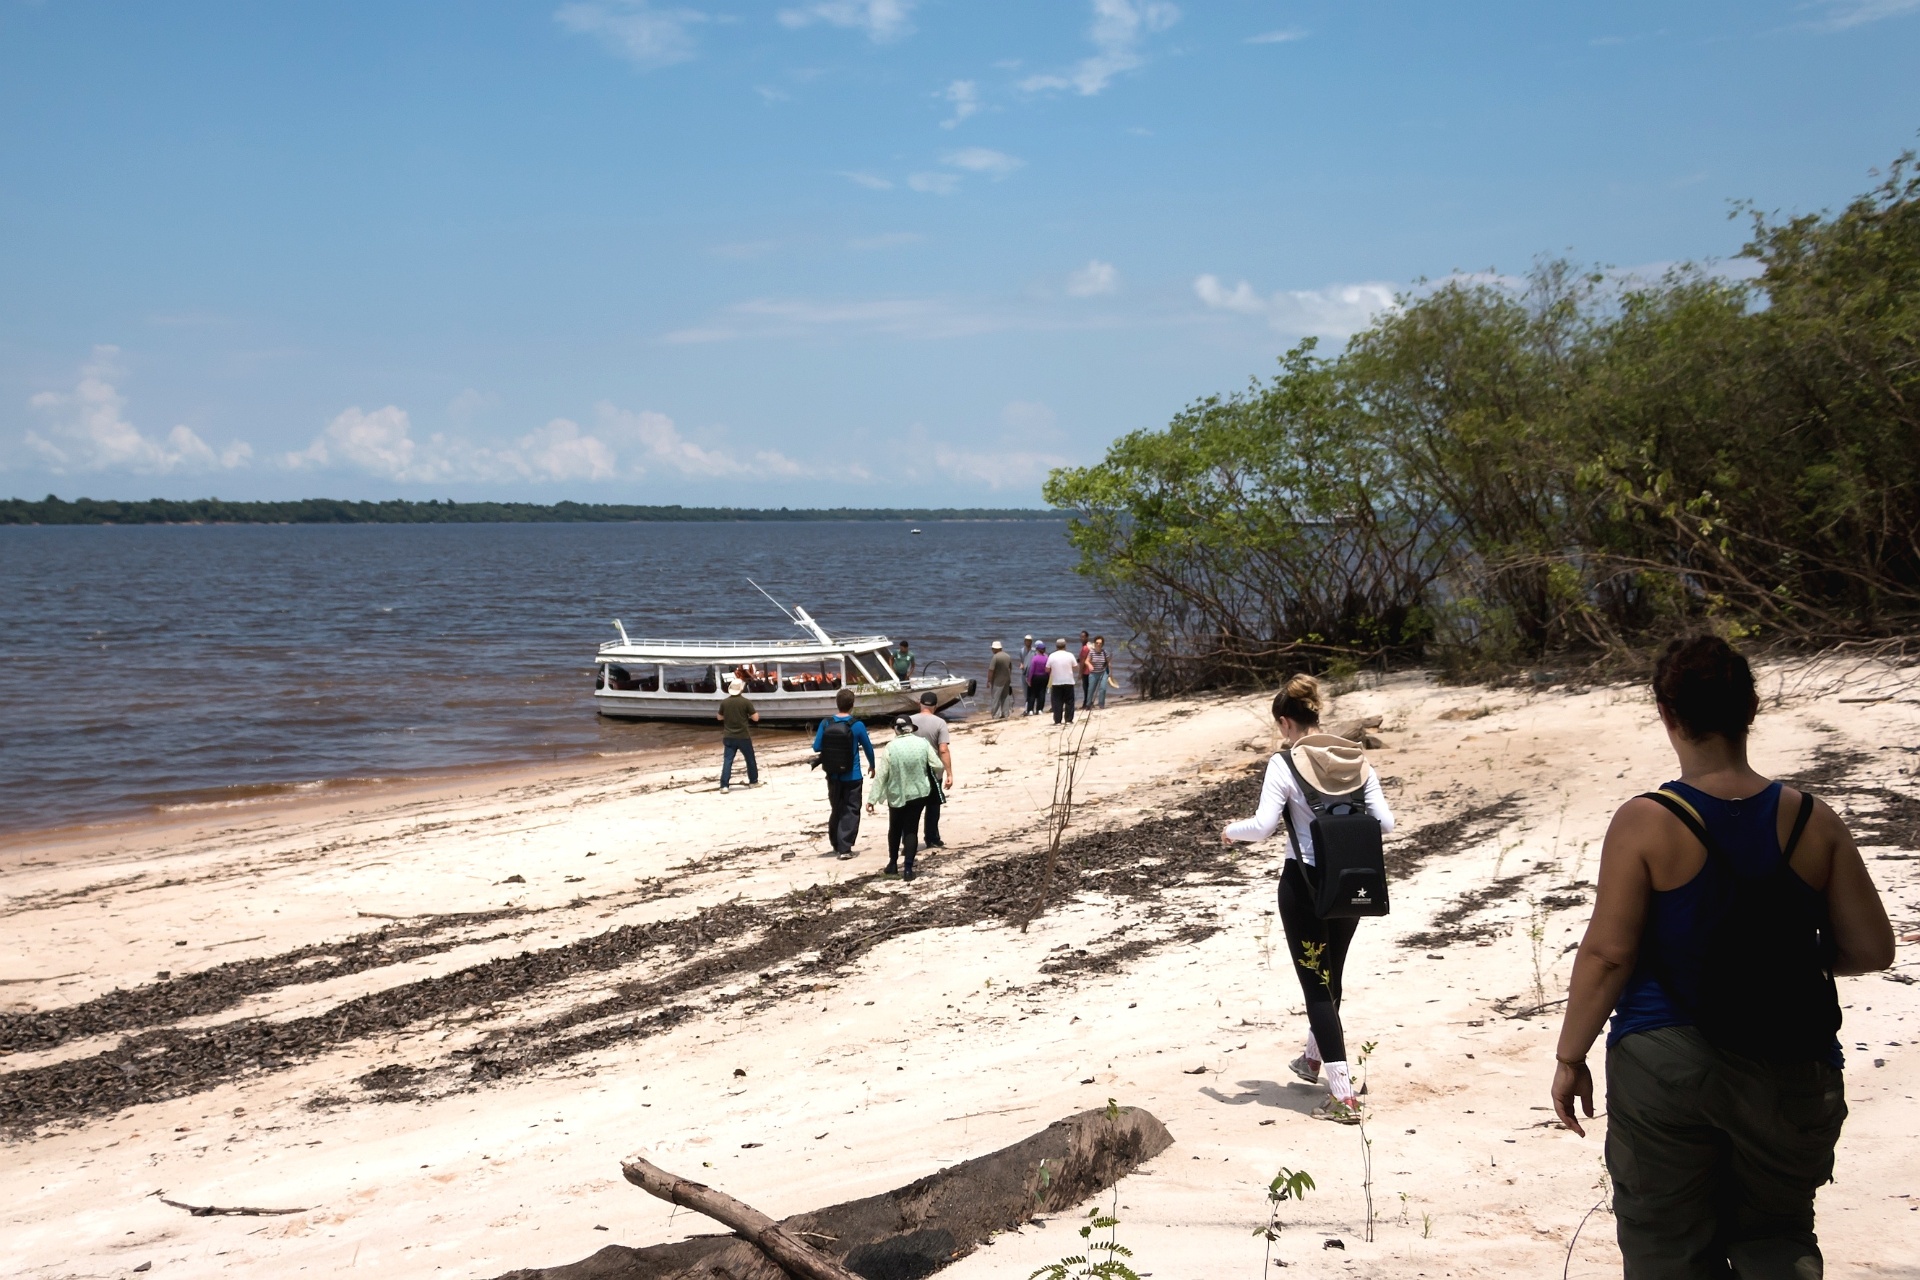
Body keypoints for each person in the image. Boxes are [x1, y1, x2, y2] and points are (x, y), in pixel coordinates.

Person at [1550, 635, 1893, 1277]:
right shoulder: (1815, 822)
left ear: (1667, 716)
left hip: (1666, 1062)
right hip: (1795, 1064)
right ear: (1750, 711)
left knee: (1667, 1247)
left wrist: (1571, 1057)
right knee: (1779, 1236)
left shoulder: (1647, 821)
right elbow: (1872, 949)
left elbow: (1606, 955)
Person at [1220, 674, 1395, 1123]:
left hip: (1304, 884)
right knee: (1332, 975)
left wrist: (1229, 832)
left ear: (1285, 723)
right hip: (1351, 882)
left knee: (1315, 985)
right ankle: (1312, 1060)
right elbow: (1386, 823)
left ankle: (1342, 1095)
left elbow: (1261, 828)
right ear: (1315, 714)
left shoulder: (1284, 764)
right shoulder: (1357, 761)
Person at [865, 715, 944, 881]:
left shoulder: (891, 747)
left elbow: (882, 775)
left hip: (896, 793)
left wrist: (872, 799)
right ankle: (908, 869)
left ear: (896, 729)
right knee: (911, 829)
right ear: (911, 728)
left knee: (895, 828)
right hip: (919, 793)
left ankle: (893, 864)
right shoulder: (922, 743)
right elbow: (938, 765)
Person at [811, 688, 875, 859]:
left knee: (836, 808)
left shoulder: (826, 723)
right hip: (852, 775)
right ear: (852, 705)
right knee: (851, 809)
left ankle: (836, 844)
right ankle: (845, 848)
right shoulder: (857, 725)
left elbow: (816, 747)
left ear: (837, 703)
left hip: (832, 774)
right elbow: (868, 747)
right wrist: (872, 765)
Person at [911, 691, 955, 849]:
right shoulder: (940, 723)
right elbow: (943, 749)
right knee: (933, 806)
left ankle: (909, 839)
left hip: (913, 770)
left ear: (919, 704)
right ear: (935, 706)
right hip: (933, 771)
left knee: (912, 807)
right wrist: (949, 773)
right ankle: (932, 838)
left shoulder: (909, 721)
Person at [716, 678, 759, 792]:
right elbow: (755, 718)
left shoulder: (725, 702)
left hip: (728, 735)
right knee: (750, 759)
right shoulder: (745, 702)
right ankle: (753, 781)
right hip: (743, 735)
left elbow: (719, 717)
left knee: (728, 760)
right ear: (741, 689)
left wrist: (729, 716)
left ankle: (724, 785)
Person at [1046, 638, 1079, 724]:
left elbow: (1047, 669)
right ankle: (1068, 719)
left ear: (1056, 646)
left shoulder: (1052, 656)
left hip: (1056, 682)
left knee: (1057, 702)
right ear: (1065, 645)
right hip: (1068, 681)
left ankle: (1057, 720)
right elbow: (1076, 667)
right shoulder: (1070, 655)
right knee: (1069, 701)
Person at [987, 640, 1015, 719]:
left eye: (992, 649)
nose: (992, 650)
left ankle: (995, 714)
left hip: (997, 680)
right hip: (1006, 679)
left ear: (995, 649)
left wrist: (989, 680)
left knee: (995, 698)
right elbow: (1010, 668)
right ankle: (1005, 713)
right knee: (1005, 697)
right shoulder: (1007, 656)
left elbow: (991, 670)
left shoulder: (995, 657)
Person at [1086, 636, 1112, 710]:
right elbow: (1086, 661)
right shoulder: (1091, 652)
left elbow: (1108, 662)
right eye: (1097, 643)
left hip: (1103, 673)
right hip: (1093, 673)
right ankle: (1088, 704)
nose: (1098, 644)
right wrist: (1089, 665)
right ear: (1094, 643)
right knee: (1091, 689)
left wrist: (1110, 673)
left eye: (1100, 643)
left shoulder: (1104, 652)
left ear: (1102, 644)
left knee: (1103, 688)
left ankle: (1101, 704)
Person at [1026, 642, 1050, 716]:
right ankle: (1039, 709)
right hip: (1044, 677)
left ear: (1037, 650)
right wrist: (1049, 678)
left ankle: (1030, 710)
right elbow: (1048, 669)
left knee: (1032, 693)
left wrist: (1029, 679)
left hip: (1035, 677)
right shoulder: (1046, 658)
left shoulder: (1035, 658)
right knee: (1042, 693)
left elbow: (1031, 670)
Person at [1077, 630, 1093, 704]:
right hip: (1090, 670)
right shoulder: (1089, 646)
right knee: (1088, 688)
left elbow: (1083, 661)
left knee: (1086, 688)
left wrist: (1080, 673)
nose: (1081, 638)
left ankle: (1086, 702)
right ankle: (1088, 701)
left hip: (1086, 671)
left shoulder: (1085, 648)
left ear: (1087, 637)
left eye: (1083, 637)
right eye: (1081, 637)